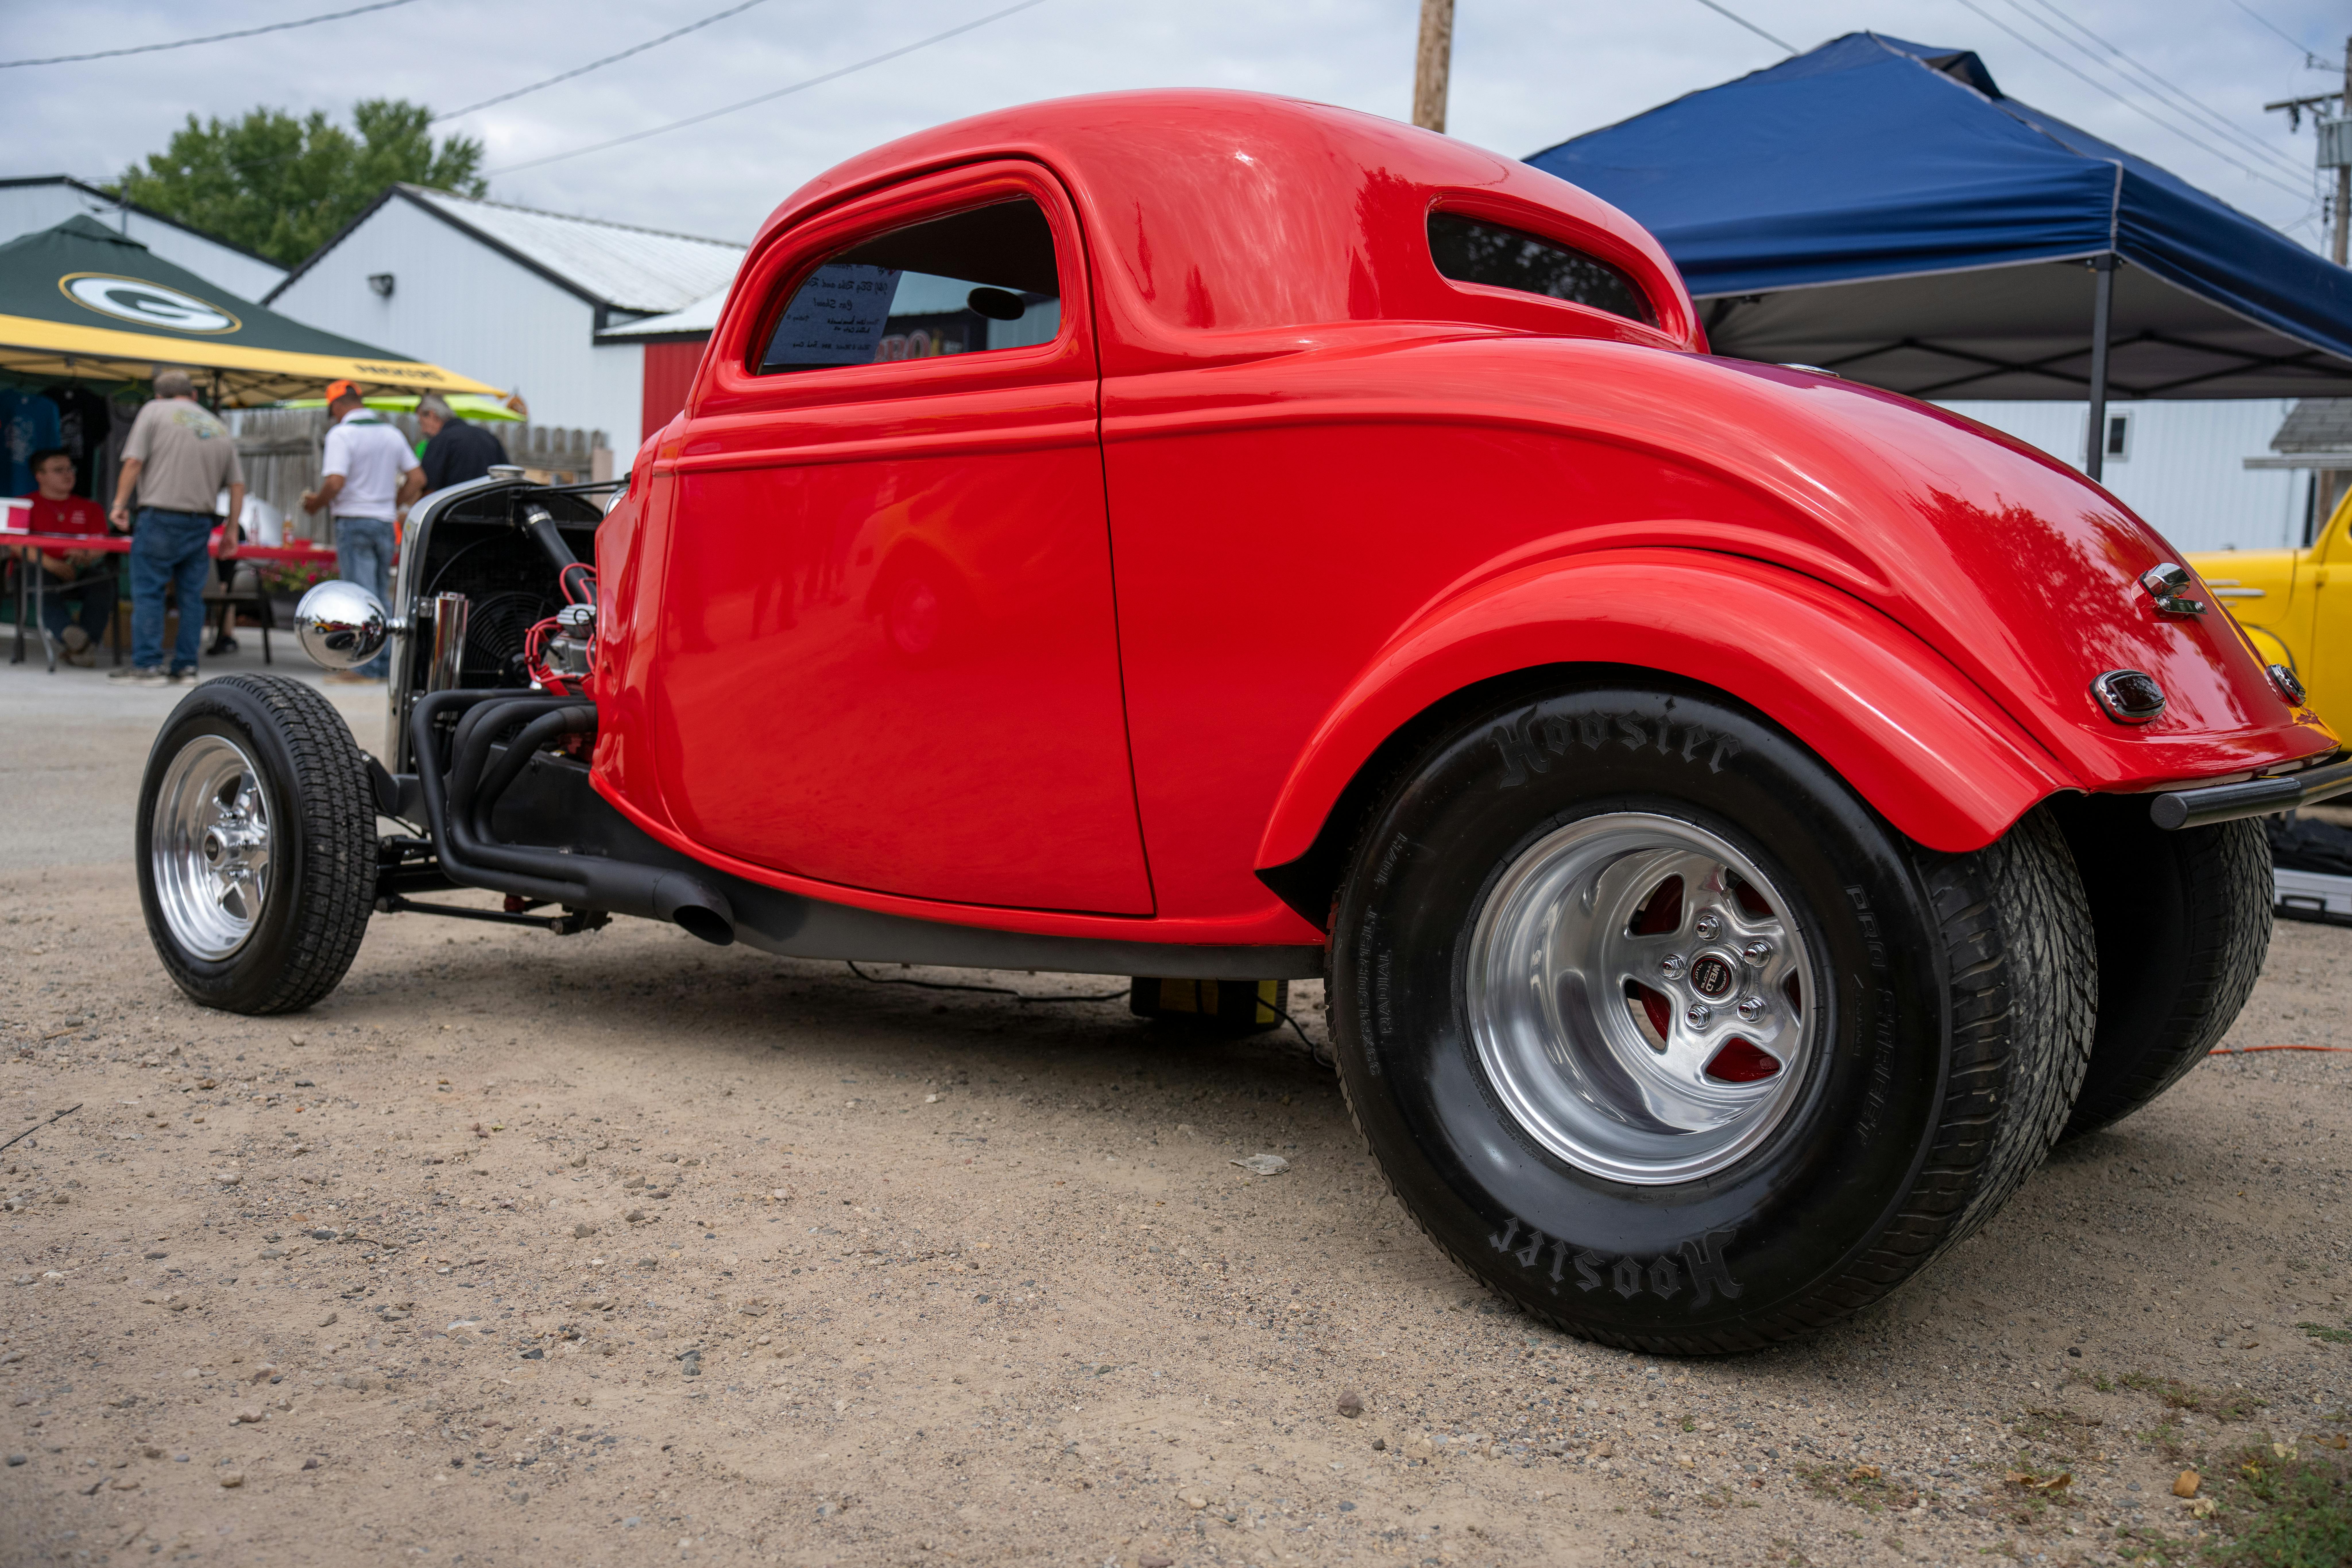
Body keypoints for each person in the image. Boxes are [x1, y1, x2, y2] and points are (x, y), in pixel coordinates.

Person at [108, 369, 243, 687]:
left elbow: (134, 462)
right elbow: (237, 484)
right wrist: (232, 530)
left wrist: (118, 505)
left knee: (149, 591)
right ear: (194, 396)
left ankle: (148, 666)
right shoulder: (216, 425)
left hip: (160, 516)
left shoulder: (154, 412)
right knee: (191, 597)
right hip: (201, 521)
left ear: (158, 396)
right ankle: (186, 666)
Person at [301, 381, 421, 683]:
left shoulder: (342, 434)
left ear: (337, 407)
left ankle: (366, 667)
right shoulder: (391, 434)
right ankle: (385, 666)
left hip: (355, 520)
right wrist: (391, 503)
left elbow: (335, 483)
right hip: (383, 523)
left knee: (360, 598)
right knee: (381, 595)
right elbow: (418, 478)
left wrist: (315, 504)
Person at [16, 447, 114, 667]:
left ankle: (82, 644)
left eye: (70, 469)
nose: (68, 474)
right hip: (41, 569)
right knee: (34, 574)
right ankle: (72, 636)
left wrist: (87, 555)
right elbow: (15, 543)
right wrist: (51, 563)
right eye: (59, 470)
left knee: (102, 579)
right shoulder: (23, 505)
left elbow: (103, 544)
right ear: (39, 476)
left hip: (78, 570)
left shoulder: (91, 507)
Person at [417, 394, 509, 494]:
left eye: (422, 423)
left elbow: (429, 490)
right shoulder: (489, 437)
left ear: (432, 414)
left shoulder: (440, 441)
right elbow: (507, 476)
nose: (422, 430)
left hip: (453, 506)